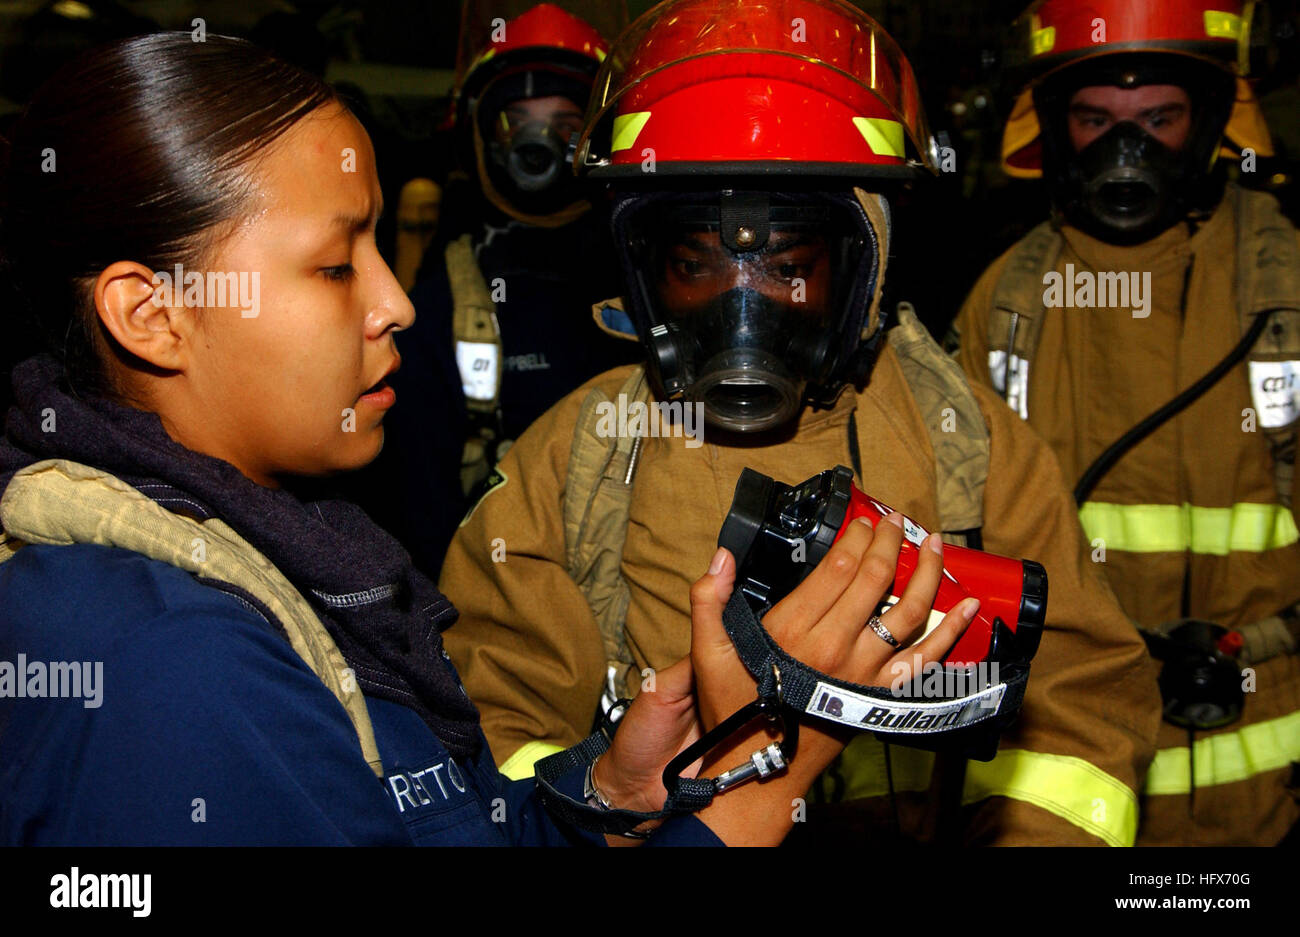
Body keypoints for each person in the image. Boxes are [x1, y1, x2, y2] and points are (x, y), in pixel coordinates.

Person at [0, 32, 972, 847]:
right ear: (151, 314)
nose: (393, 303)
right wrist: (762, 785)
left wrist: (604, 791)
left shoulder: (282, 554)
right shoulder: (169, 672)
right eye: (338, 265)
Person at [439, 0, 1162, 846]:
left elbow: (1085, 719)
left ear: (866, 264)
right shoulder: (578, 459)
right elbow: (495, 736)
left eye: (785, 267)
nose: (742, 307)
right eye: (694, 265)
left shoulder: (966, 442)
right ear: (642, 271)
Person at [951, 0, 1300, 846]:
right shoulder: (1007, 299)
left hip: (1268, 794)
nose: (1126, 149)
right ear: (1055, 128)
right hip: (1070, 786)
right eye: (1096, 119)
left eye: (1159, 119)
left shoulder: (1281, 288)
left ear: (1212, 122)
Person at [342, 1, 641, 579]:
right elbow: (421, 526)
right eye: (517, 119)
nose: (540, 144)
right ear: (480, 138)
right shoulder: (438, 309)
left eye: (567, 123)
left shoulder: (663, 277)